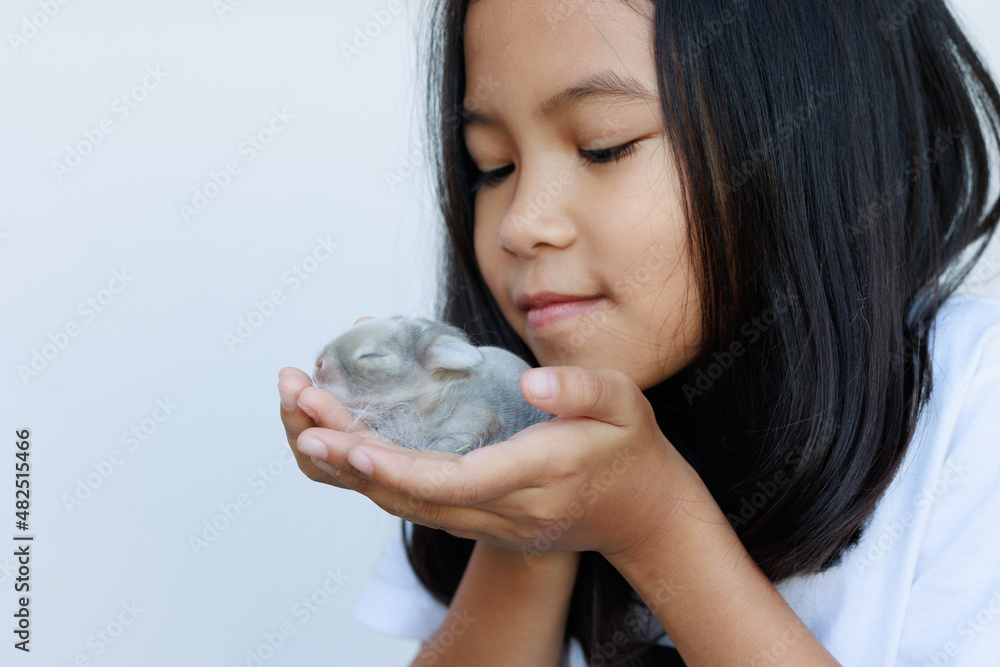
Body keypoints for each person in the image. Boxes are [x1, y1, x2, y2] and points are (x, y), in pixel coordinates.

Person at [278, 0, 1000, 664]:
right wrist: (525, 514)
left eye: (603, 146)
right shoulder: (474, 419)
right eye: (491, 166)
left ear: (808, 129)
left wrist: (656, 526)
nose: (522, 222)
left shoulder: (975, 397)